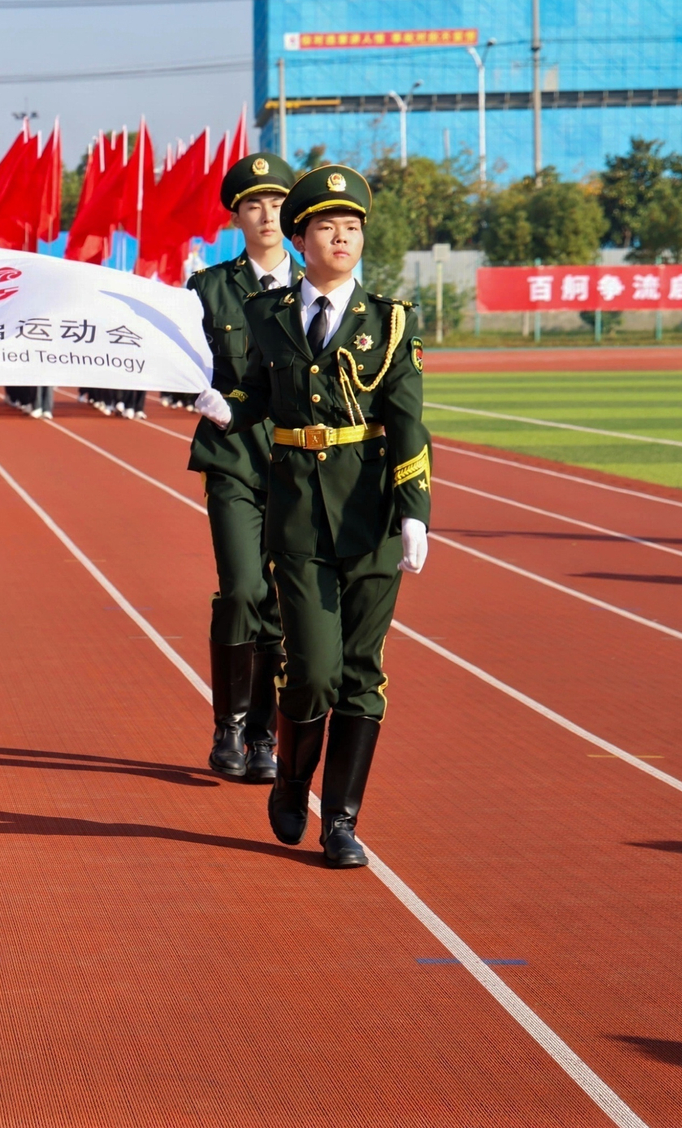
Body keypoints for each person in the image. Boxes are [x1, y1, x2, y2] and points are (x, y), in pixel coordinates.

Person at [194, 163, 430, 869]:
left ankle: (342, 821)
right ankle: (291, 779)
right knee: (312, 670)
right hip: (296, 514)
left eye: (351, 227)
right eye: (326, 227)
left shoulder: (388, 322)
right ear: (300, 239)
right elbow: (258, 395)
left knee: (362, 671)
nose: (341, 238)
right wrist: (227, 408)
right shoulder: (270, 318)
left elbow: (409, 422)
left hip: (370, 515)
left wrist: (415, 510)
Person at [186, 151, 296, 784]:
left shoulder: (313, 290)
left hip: (296, 463)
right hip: (232, 458)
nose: (267, 215)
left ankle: (261, 738)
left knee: (279, 604)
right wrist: (193, 393)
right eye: (254, 204)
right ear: (237, 214)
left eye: (278, 204)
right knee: (244, 590)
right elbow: (177, 358)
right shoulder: (210, 287)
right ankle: (228, 723)